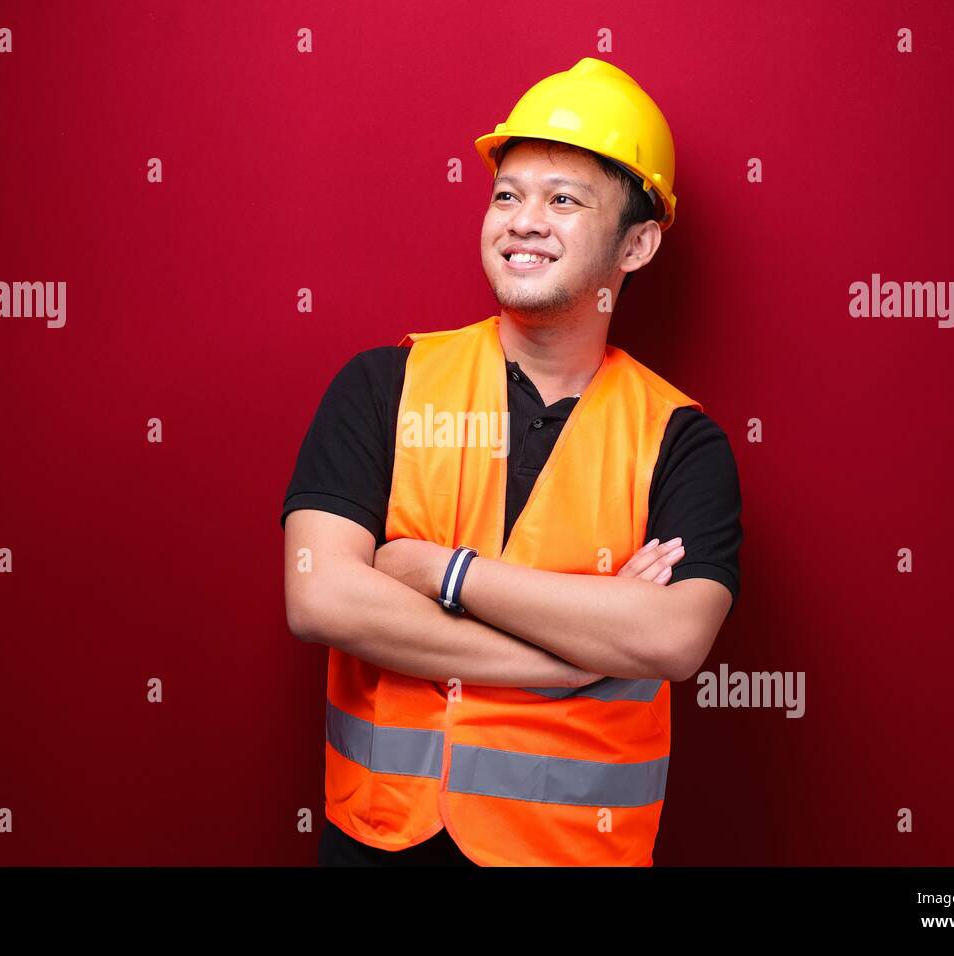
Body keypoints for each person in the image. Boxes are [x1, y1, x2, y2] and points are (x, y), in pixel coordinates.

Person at [282, 57, 742, 866]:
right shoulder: (383, 385)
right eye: (507, 194)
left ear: (637, 244)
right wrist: (571, 656)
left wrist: (441, 573)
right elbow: (323, 596)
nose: (523, 220)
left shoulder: (679, 438)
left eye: (563, 199)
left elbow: (673, 639)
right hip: (378, 843)